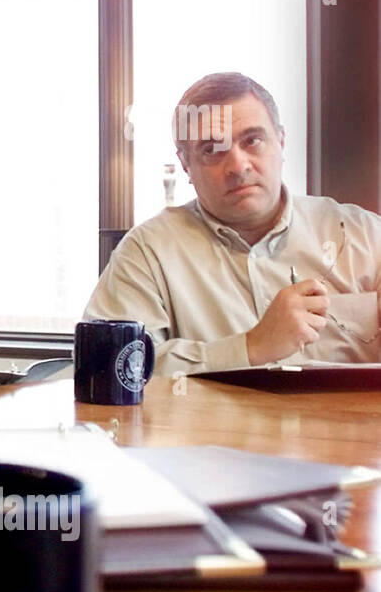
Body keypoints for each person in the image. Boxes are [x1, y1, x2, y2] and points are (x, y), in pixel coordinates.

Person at [84, 71, 381, 378]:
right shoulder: (147, 252)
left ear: (280, 141)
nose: (238, 166)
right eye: (211, 150)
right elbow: (106, 368)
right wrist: (250, 348)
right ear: (186, 164)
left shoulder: (365, 235)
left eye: (252, 140)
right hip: (208, 427)